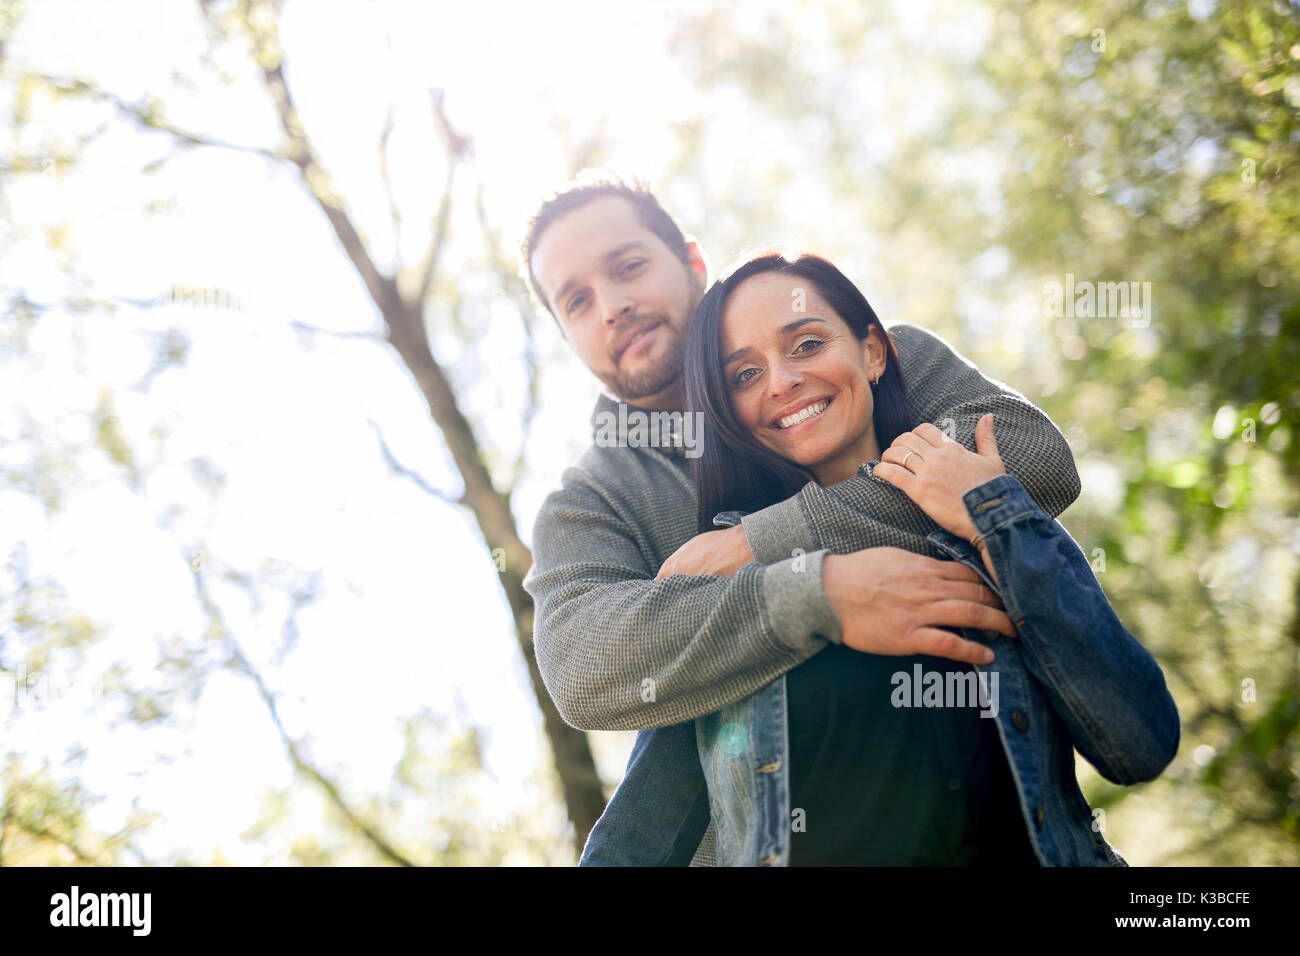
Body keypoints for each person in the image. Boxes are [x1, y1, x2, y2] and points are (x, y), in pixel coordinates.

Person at [519, 173, 1085, 866]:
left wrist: (763, 541)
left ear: (692, 262)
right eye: (577, 301)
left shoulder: (860, 365)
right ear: (565, 333)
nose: (612, 305)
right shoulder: (591, 501)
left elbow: (1033, 459)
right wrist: (818, 594)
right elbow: (584, 666)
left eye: (629, 266)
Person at [623, 252, 1179, 866]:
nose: (781, 381)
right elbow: (640, 835)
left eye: (807, 343)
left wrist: (996, 516)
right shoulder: (722, 574)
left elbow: (1140, 742)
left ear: (874, 352)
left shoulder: (980, 503)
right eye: (745, 376)